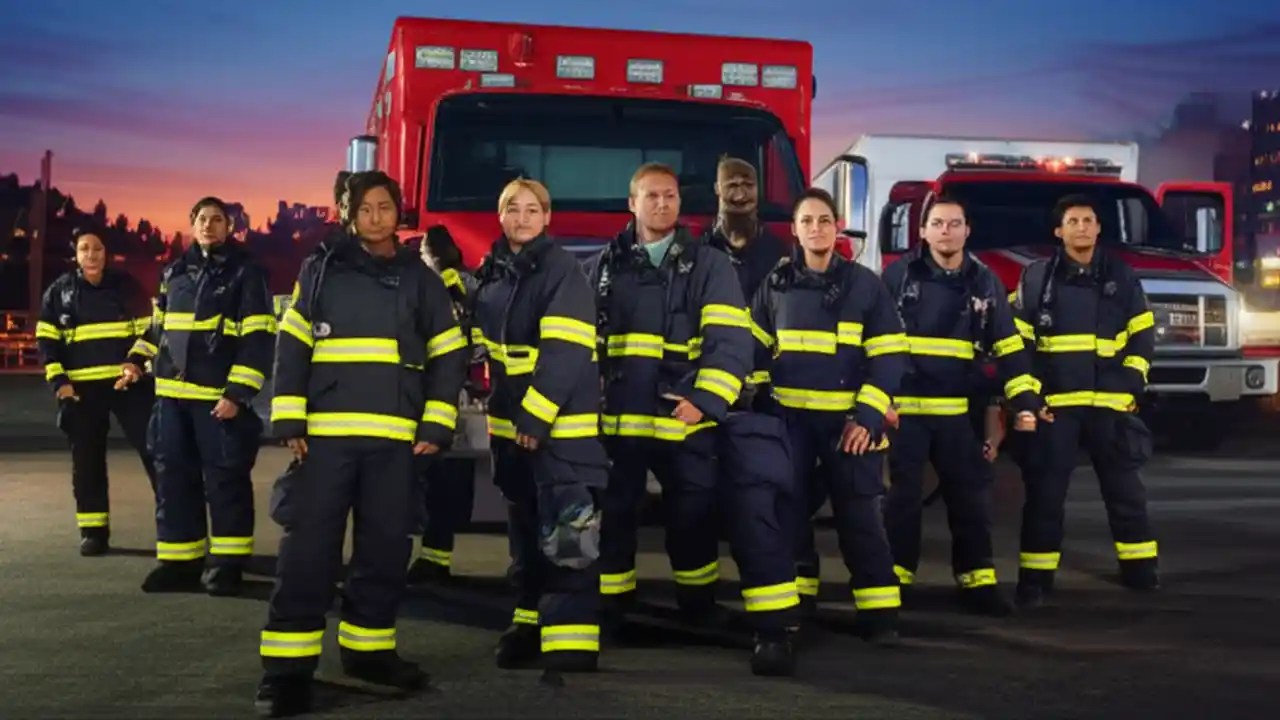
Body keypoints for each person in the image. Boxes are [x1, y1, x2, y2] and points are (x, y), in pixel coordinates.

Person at [254, 171, 467, 716]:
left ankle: (369, 652)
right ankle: (286, 673)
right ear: (349, 215)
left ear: (399, 213)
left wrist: (437, 424)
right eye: (366, 208)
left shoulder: (422, 280)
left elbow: (448, 352)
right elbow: (293, 345)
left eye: (386, 207)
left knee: (384, 551)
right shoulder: (320, 271)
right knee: (307, 553)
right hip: (324, 441)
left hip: (395, 441)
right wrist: (289, 418)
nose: (377, 217)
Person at [585, 162, 752, 631]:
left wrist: (706, 400)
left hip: (684, 417)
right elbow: (580, 342)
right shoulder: (603, 265)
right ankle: (613, 607)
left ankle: (698, 605)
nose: (663, 204)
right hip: (620, 418)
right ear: (632, 203)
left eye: (671, 196)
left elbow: (731, 341)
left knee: (693, 513)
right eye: (652, 196)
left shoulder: (709, 264)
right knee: (615, 512)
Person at [749, 188, 906, 644]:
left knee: (860, 519)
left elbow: (889, 357)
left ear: (837, 226)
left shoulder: (865, 285)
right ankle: (800, 602)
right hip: (790, 426)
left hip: (849, 430)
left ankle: (880, 617)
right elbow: (751, 348)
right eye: (806, 221)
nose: (815, 228)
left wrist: (869, 417)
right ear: (794, 230)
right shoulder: (774, 285)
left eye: (823, 220)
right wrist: (763, 411)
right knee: (790, 514)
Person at [880, 194, 1047, 617]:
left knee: (970, 500)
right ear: (922, 232)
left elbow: (1008, 346)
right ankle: (895, 582)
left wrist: (1026, 397)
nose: (945, 231)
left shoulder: (984, 281)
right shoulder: (899, 276)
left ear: (967, 230)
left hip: (960, 412)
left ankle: (977, 582)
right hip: (907, 412)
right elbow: (876, 342)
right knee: (901, 501)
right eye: (937, 224)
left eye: (954, 224)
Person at [471, 178, 606, 675]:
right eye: (512, 208)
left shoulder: (561, 271)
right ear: (500, 214)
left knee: (569, 532)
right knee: (525, 531)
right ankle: (527, 621)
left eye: (532, 209)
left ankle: (570, 640)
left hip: (558, 432)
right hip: (512, 429)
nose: (522, 217)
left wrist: (535, 416)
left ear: (547, 218)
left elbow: (566, 352)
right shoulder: (495, 271)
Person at [122, 197, 275, 596]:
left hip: (217, 401)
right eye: (202, 219)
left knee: (225, 482)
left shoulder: (247, 271)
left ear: (230, 227)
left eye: (217, 220)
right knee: (173, 480)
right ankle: (179, 562)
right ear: (192, 224)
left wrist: (238, 394)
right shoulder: (174, 271)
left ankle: (226, 565)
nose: (209, 225)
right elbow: (159, 328)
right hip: (171, 399)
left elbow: (258, 338)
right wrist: (136, 361)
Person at [1012, 193, 1158, 607]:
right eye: (1073, 220)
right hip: (1055, 408)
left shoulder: (1123, 277)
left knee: (1126, 492)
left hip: (1110, 406)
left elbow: (1143, 334)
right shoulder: (1035, 279)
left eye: (1088, 220)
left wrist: (1131, 384)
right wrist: (1028, 395)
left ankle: (1141, 572)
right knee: (1044, 496)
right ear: (1058, 231)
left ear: (1098, 228)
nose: (1081, 227)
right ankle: (1035, 582)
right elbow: (1017, 343)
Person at [701, 156, 802, 675]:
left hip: (758, 407)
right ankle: (696, 609)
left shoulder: (780, 254)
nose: (740, 192)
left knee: (757, 511)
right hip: (699, 404)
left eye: (748, 183)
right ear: (715, 191)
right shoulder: (696, 252)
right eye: (731, 184)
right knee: (690, 508)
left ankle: (773, 628)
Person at [36, 226, 158, 556]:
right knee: (86, 461)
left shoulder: (127, 287)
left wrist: (135, 363)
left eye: (98, 249)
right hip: (82, 392)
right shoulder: (58, 292)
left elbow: (151, 331)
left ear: (107, 253)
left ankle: (174, 528)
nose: (91, 255)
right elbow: (47, 342)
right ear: (75, 254)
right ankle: (94, 532)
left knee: (156, 453)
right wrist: (60, 382)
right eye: (84, 249)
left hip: (129, 386)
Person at [406, 224, 479, 584]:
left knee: (422, 481)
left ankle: (429, 559)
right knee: (449, 482)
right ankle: (437, 557)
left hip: (429, 397)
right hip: (464, 397)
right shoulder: (471, 283)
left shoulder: (425, 287)